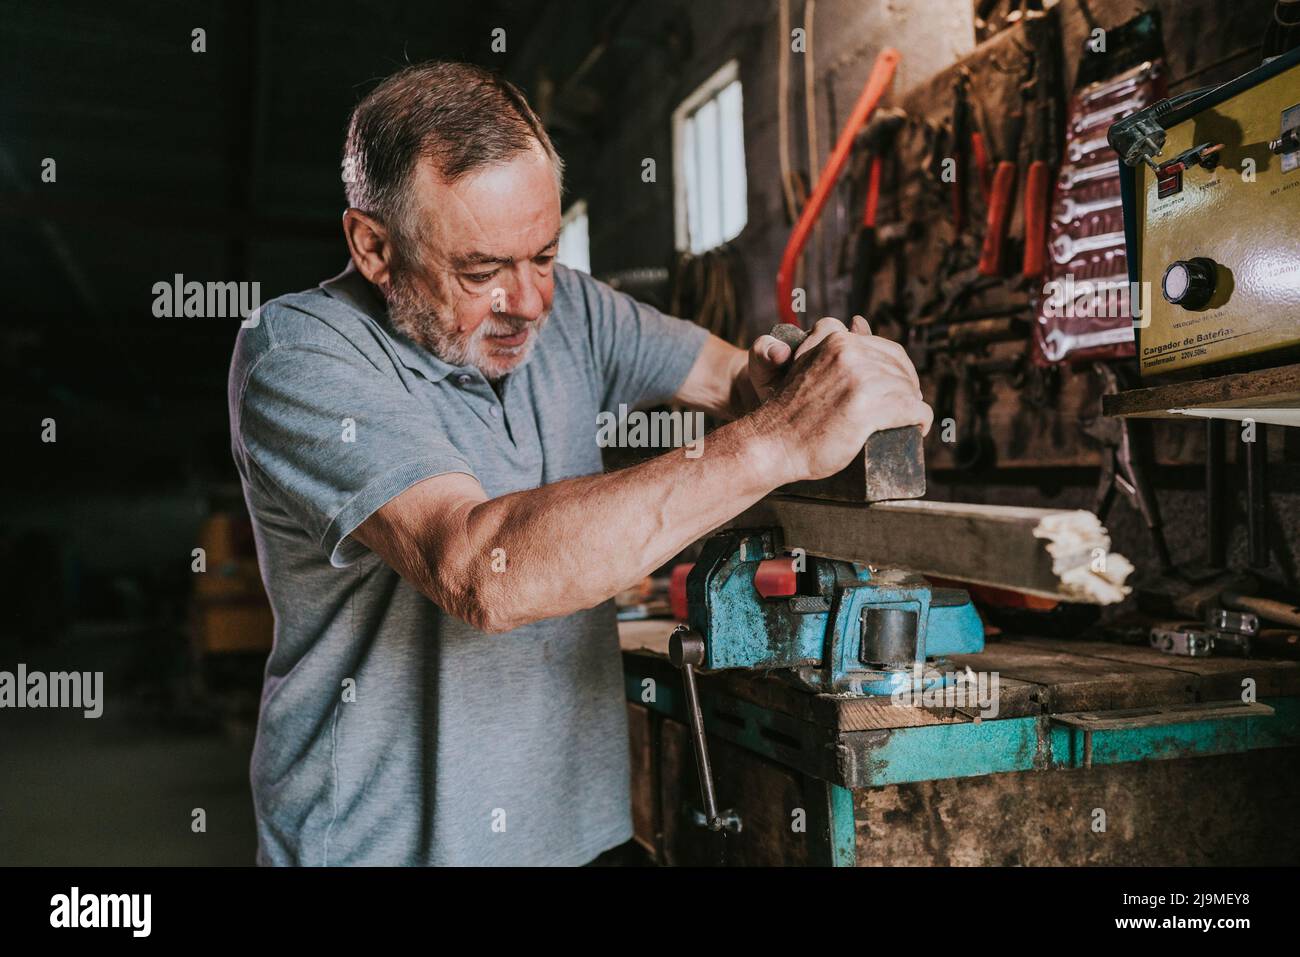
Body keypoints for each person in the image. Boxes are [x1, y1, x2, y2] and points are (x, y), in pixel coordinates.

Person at [228, 60, 930, 865]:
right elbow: (479, 569)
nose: (528, 302)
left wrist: (795, 378)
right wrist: (778, 437)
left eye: (546, 255)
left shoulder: (578, 313)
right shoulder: (298, 352)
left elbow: (731, 377)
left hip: (577, 837)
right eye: (482, 272)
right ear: (374, 246)